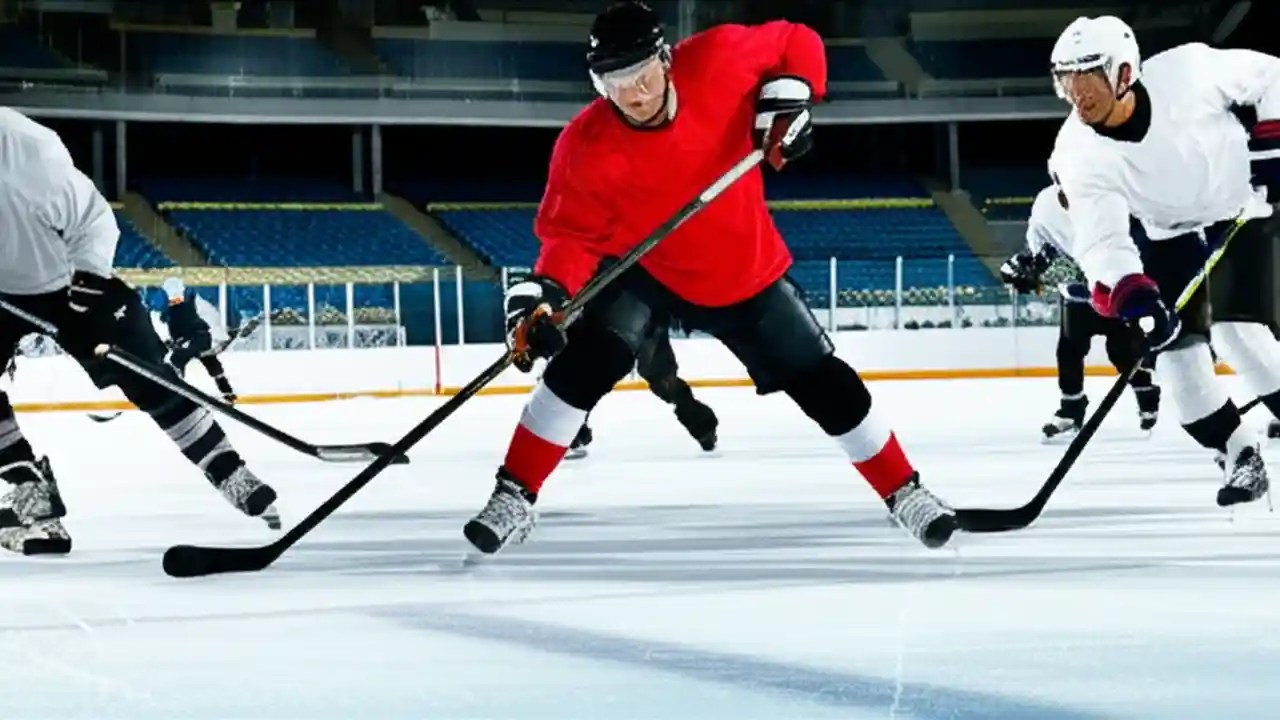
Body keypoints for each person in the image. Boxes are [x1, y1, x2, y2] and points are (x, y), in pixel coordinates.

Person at [463, 1, 959, 555]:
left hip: (740, 269)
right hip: (643, 267)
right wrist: (546, 296)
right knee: (581, 366)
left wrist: (794, 93)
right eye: (615, 83)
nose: (634, 95)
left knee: (822, 381)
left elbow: (797, 38)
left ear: (666, 60)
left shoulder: (719, 59)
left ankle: (904, 492)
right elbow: (570, 238)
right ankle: (513, 494)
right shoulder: (585, 146)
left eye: (643, 76)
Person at [0, 107, 280, 554]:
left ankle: (228, 469)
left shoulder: (28, 149)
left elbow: (92, 217)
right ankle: (29, 490)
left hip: (71, 281)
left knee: (147, 375)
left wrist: (91, 273)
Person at [1047, 15, 1280, 507]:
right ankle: (1240, 454)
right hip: (1169, 234)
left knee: (1238, 334)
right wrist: (1130, 289)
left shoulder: (1189, 71)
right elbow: (1102, 240)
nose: (1076, 93)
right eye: (1065, 80)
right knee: (1178, 361)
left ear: (1125, 73)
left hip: (1243, 209)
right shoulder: (1076, 153)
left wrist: (1270, 150)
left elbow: (1271, 76)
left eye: (1087, 77)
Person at [1000, 186, 1161, 439]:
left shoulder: (1109, 195)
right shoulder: (1046, 201)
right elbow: (1038, 243)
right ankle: (1071, 409)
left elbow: (1134, 240)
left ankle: (1145, 391)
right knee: (1069, 349)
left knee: (1122, 352)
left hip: (1110, 287)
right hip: (1075, 293)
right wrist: (1030, 265)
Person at [565, 316, 718, 459]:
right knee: (589, 372)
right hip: (622, 307)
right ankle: (572, 429)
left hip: (637, 306)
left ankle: (702, 427)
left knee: (659, 375)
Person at [160, 276, 237, 404]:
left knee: (177, 360)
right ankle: (227, 392)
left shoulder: (187, 305)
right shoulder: (174, 309)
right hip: (196, 339)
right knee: (209, 361)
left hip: (197, 338)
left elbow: (193, 324)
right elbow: (177, 328)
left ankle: (175, 392)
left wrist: (180, 341)